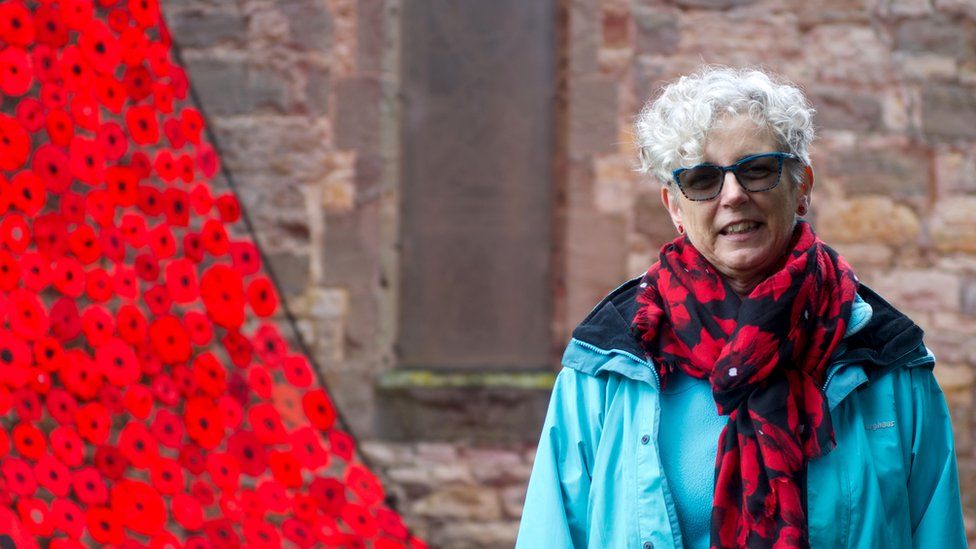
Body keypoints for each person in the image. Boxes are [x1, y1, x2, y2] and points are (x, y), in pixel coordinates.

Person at [515, 67, 966, 549]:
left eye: (756, 169)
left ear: (802, 186)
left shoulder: (887, 360)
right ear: (674, 207)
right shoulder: (608, 364)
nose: (733, 195)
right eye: (703, 179)